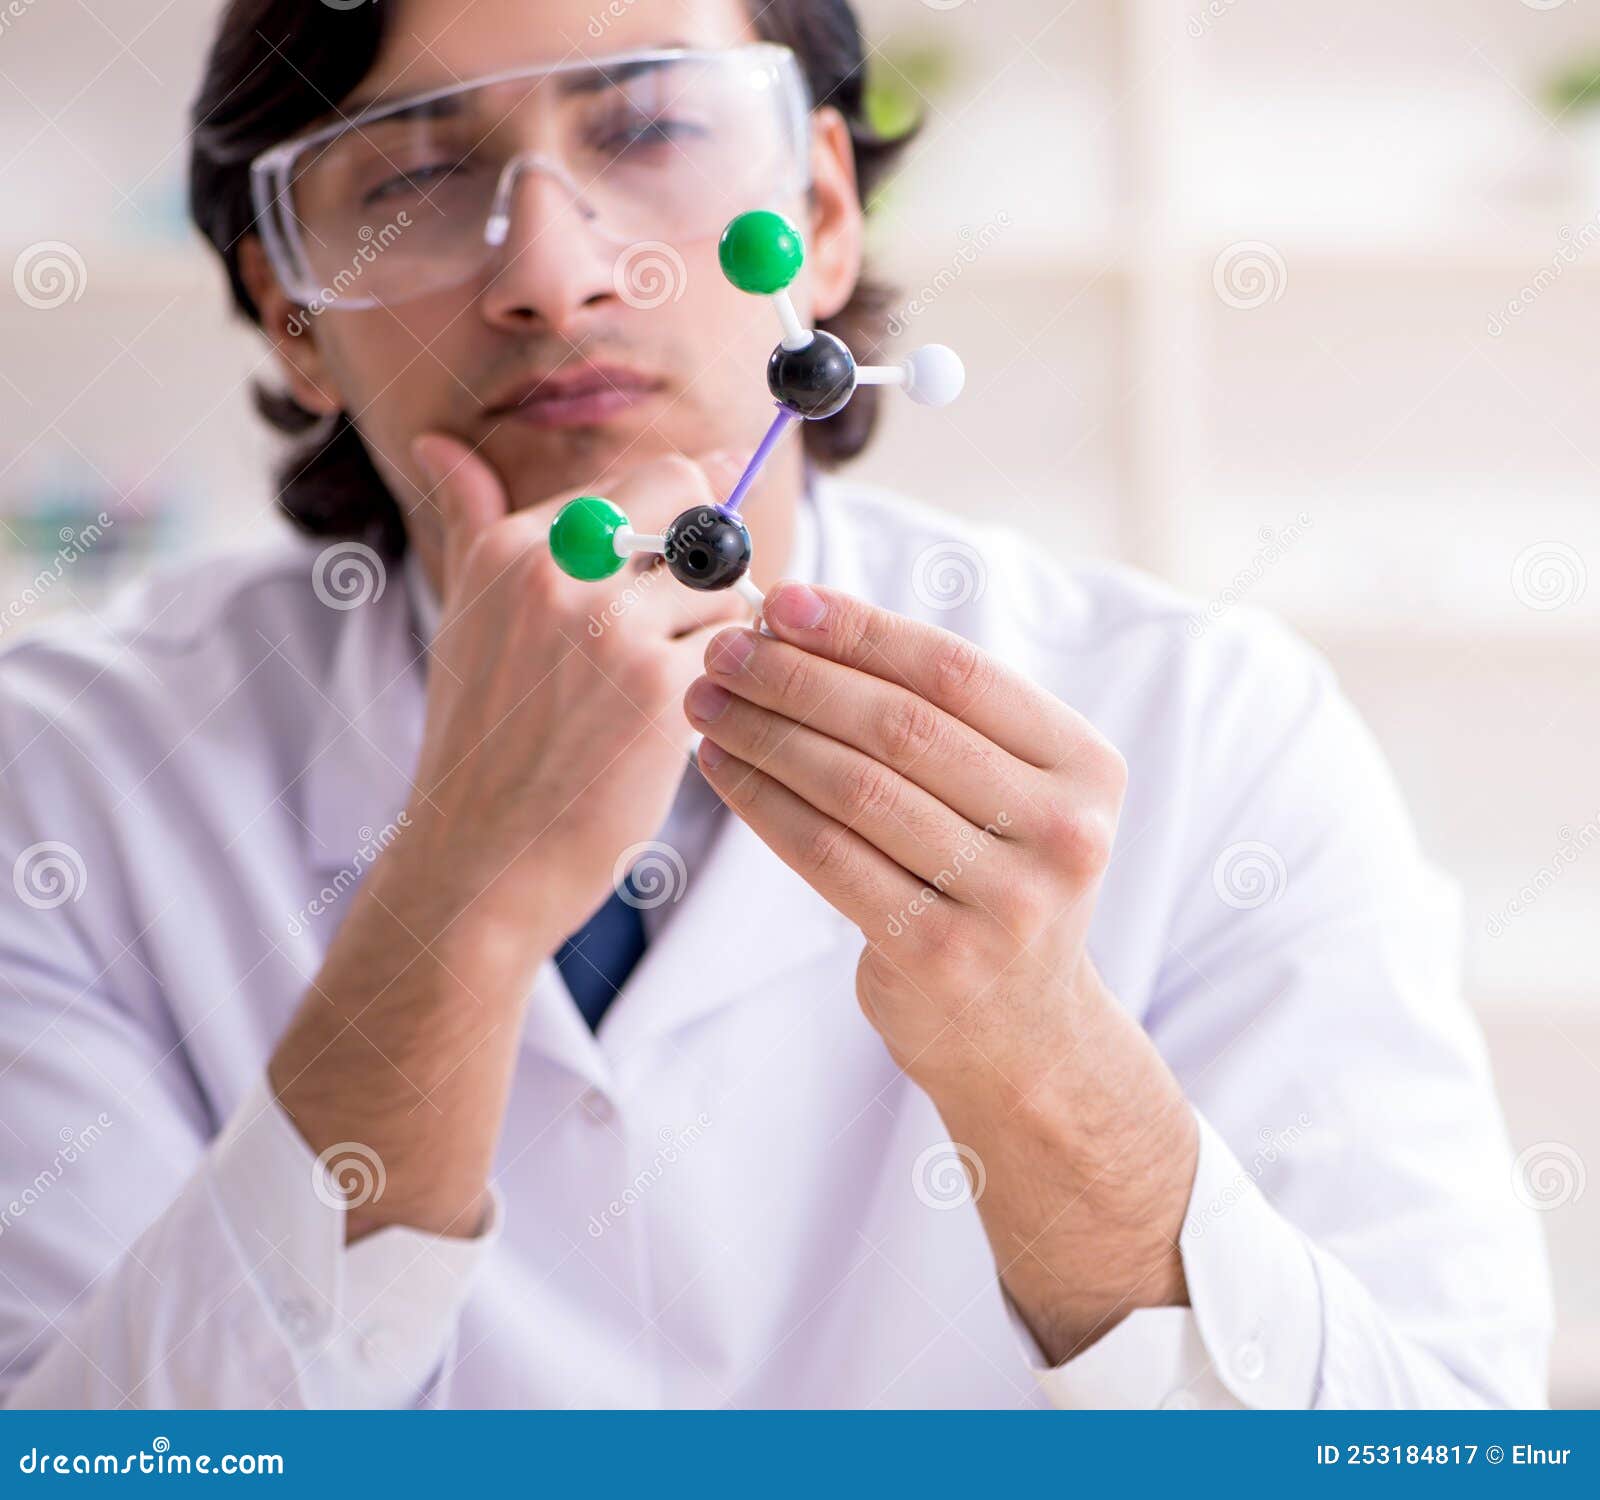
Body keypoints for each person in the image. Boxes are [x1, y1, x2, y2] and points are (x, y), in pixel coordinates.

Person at [0, 0, 1550, 1410]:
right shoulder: (61, 780)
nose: (554, 271)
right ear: (290, 309)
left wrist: (1044, 1066)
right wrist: (453, 908)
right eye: (409, 177)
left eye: (649, 127)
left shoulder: (1213, 725)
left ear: (817, 211)